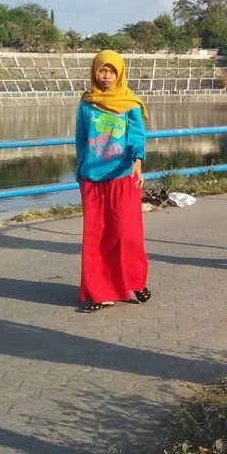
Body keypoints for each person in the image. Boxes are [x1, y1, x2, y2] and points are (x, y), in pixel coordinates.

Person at [74, 50, 151, 313]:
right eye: (101, 70)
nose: (105, 76)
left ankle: (135, 281)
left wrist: (138, 161)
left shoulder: (129, 103)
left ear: (119, 74)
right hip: (92, 179)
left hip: (122, 176)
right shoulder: (86, 104)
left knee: (126, 233)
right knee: (96, 238)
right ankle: (101, 292)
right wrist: (80, 172)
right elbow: (81, 140)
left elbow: (138, 136)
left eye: (111, 71)